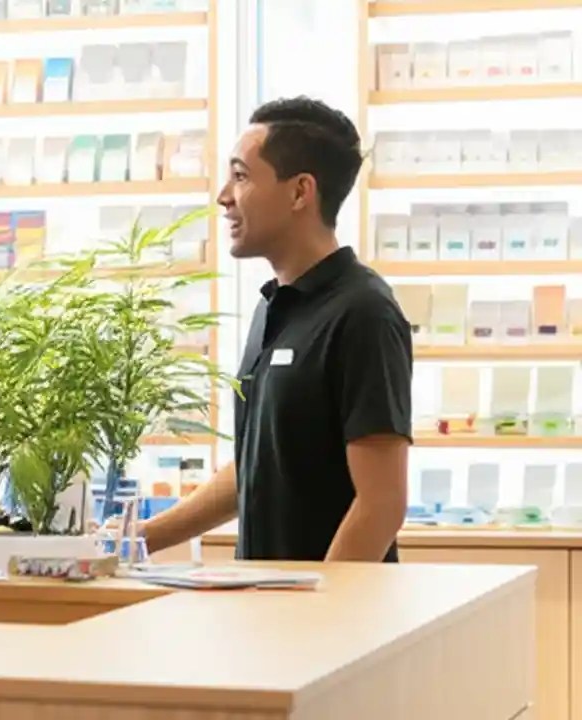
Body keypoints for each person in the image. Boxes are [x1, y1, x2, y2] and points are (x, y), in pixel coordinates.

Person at [138, 96, 412, 562]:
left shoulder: (364, 312)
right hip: (264, 603)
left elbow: (381, 504)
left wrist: (324, 602)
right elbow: (256, 465)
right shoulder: (271, 308)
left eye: (241, 176)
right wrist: (139, 538)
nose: (224, 196)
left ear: (300, 192)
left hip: (328, 607)